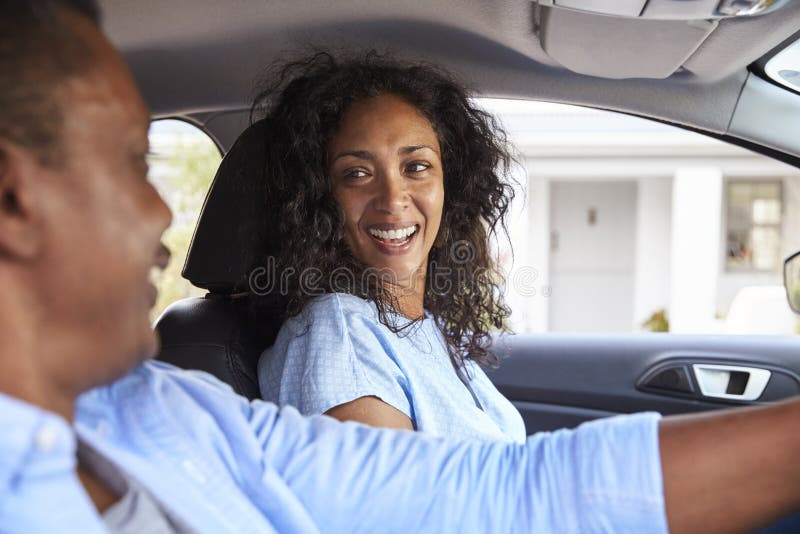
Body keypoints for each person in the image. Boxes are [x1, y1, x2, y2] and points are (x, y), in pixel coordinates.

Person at [1, 1, 799, 532]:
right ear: (13, 198)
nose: (161, 213)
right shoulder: (333, 338)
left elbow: (506, 498)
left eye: (418, 167)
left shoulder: (167, 411)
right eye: (129, 165)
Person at [256, 53, 526, 442]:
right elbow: (396, 501)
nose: (393, 197)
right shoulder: (341, 334)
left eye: (416, 166)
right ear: (318, 199)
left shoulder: (420, 324)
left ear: (451, 187)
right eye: (357, 173)